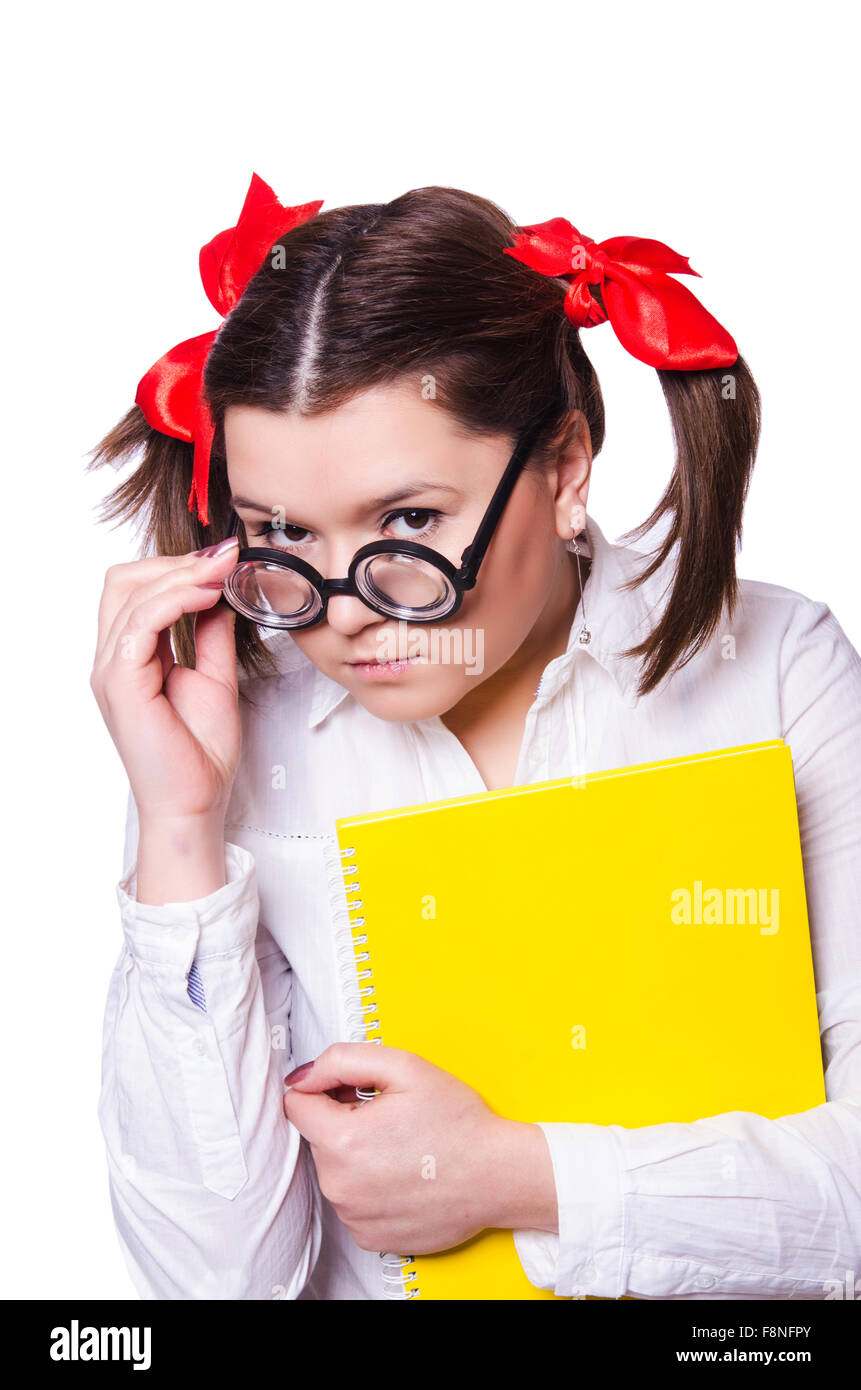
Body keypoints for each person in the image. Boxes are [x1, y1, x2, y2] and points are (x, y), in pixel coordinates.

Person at [87, 175, 861, 1301]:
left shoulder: (778, 670)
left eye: (408, 521)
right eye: (282, 534)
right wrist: (179, 830)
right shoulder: (231, 735)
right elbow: (212, 1284)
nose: (344, 607)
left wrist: (518, 1176)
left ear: (564, 468)